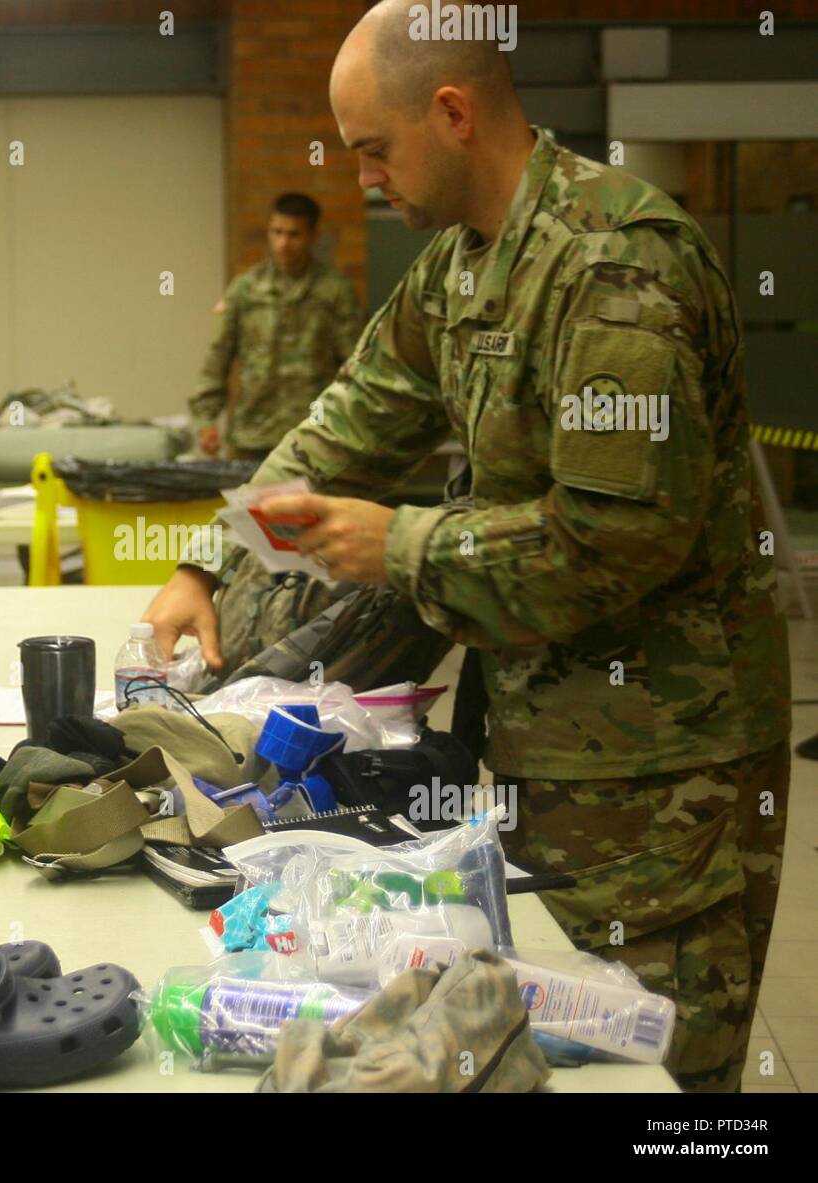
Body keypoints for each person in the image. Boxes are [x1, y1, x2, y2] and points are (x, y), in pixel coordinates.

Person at [145, 0, 791, 1092]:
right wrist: (204, 559)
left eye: (371, 151)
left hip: (664, 765)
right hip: (546, 743)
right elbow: (349, 420)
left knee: (657, 1073)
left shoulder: (611, 266)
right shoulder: (458, 267)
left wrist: (397, 542)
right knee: (564, 1054)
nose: (362, 180)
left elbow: (618, 541)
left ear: (450, 112)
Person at [190, 192, 362, 461]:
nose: (283, 243)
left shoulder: (334, 291)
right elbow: (218, 356)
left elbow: (353, 365)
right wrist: (206, 418)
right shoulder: (246, 289)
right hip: (253, 434)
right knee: (246, 503)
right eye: (276, 232)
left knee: (310, 505)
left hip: (313, 434)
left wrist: (352, 424)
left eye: (294, 234)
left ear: (313, 235)